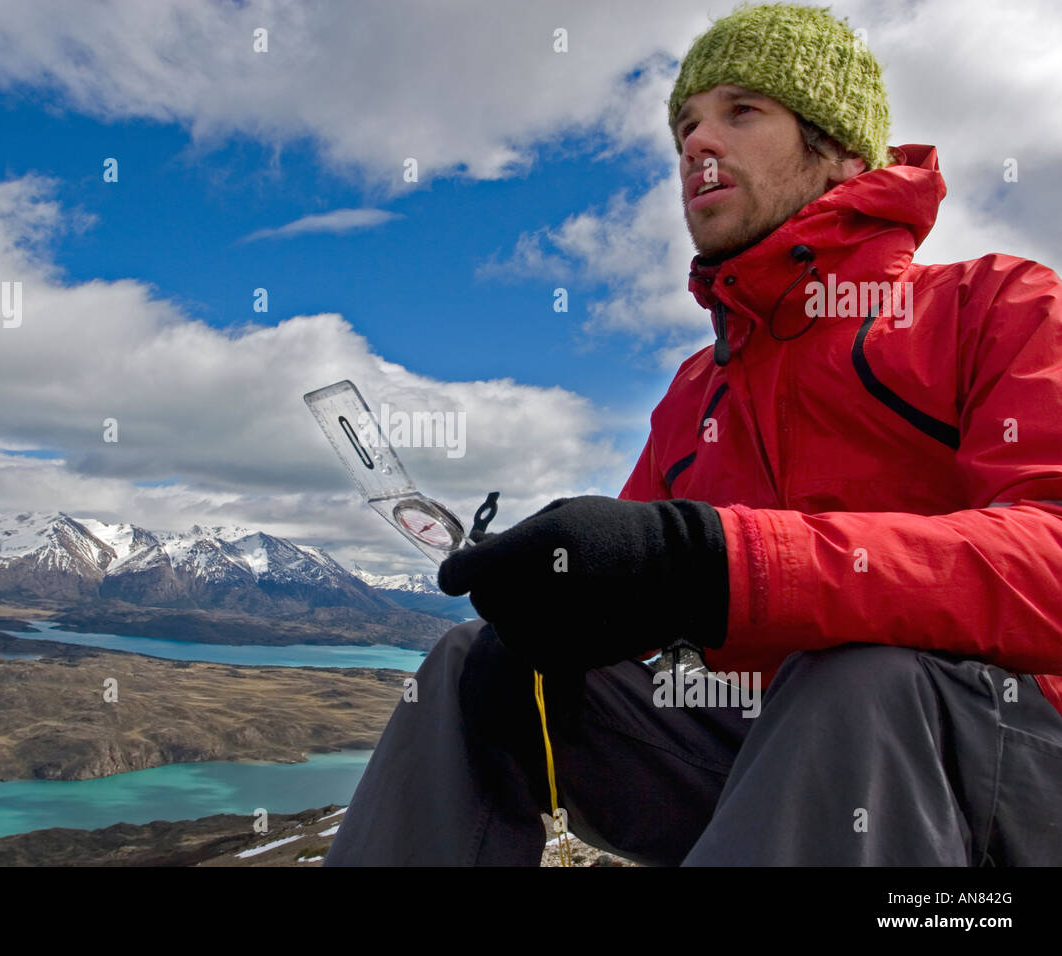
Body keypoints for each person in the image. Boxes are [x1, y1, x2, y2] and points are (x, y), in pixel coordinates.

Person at [325, 2, 1062, 866]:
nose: (697, 145)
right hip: (768, 760)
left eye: (741, 111)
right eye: (685, 125)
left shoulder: (1000, 306)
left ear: (836, 148)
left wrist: (717, 559)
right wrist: (558, 595)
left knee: (859, 674)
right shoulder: (692, 393)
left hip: (1004, 766)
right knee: (475, 669)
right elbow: (636, 592)